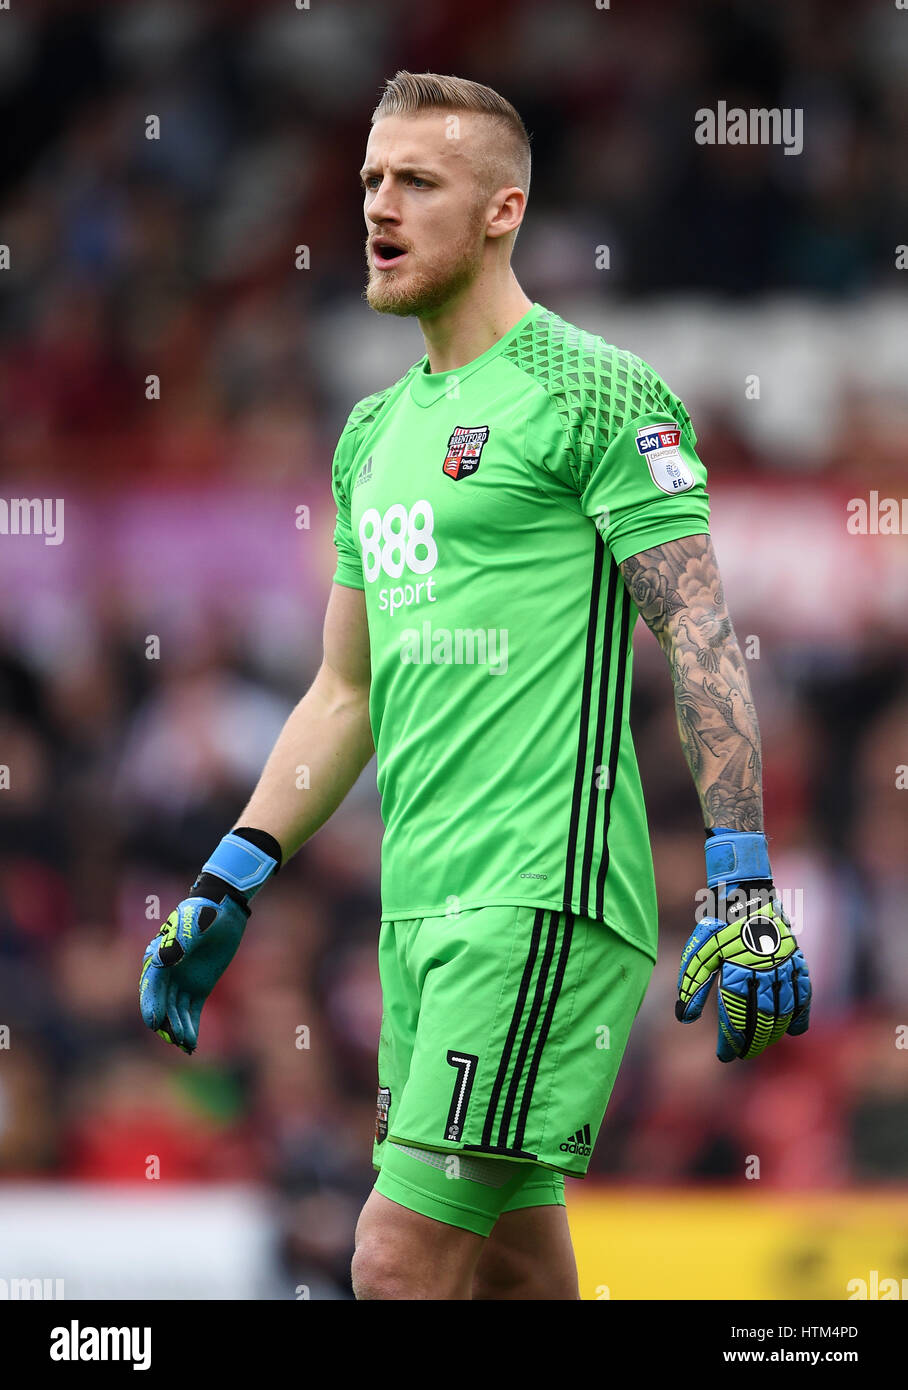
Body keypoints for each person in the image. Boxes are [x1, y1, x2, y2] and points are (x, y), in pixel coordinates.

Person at [140, 71, 811, 1301]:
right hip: (421, 910)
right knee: (509, 1275)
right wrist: (234, 868)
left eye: (416, 183)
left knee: (393, 1262)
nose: (377, 208)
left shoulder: (595, 391)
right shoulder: (369, 434)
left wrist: (741, 870)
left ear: (502, 210)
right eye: (368, 183)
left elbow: (700, 632)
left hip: (539, 900)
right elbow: (346, 690)